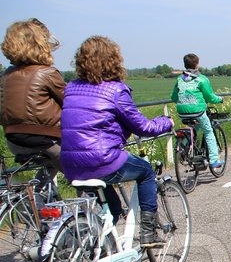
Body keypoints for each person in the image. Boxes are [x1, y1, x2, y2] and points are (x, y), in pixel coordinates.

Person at [60, 36, 173, 248]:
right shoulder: (115, 90)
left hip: (70, 164)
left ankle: (96, 249)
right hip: (102, 159)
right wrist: (166, 122)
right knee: (146, 172)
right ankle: (148, 233)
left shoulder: (71, 88)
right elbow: (143, 127)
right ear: (113, 60)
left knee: (112, 209)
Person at [0, 18, 65, 185]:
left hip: (13, 140)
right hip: (45, 139)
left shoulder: (7, 75)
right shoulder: (47, 73)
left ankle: (37, 195)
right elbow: (71, 104)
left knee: (50, 166)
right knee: (83, 170)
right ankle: (87, 201)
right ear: (40, 45)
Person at [170, 53, 224, 168]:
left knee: (194, 128)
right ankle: (214, 160)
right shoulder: (201, 79)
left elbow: (174, 97)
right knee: (208, 131)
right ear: (197, 65)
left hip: (182, 112)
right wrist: (220, 99)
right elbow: (210, 97)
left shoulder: (180, 79)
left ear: (185, 65)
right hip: (198, 111)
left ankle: (184, 148)